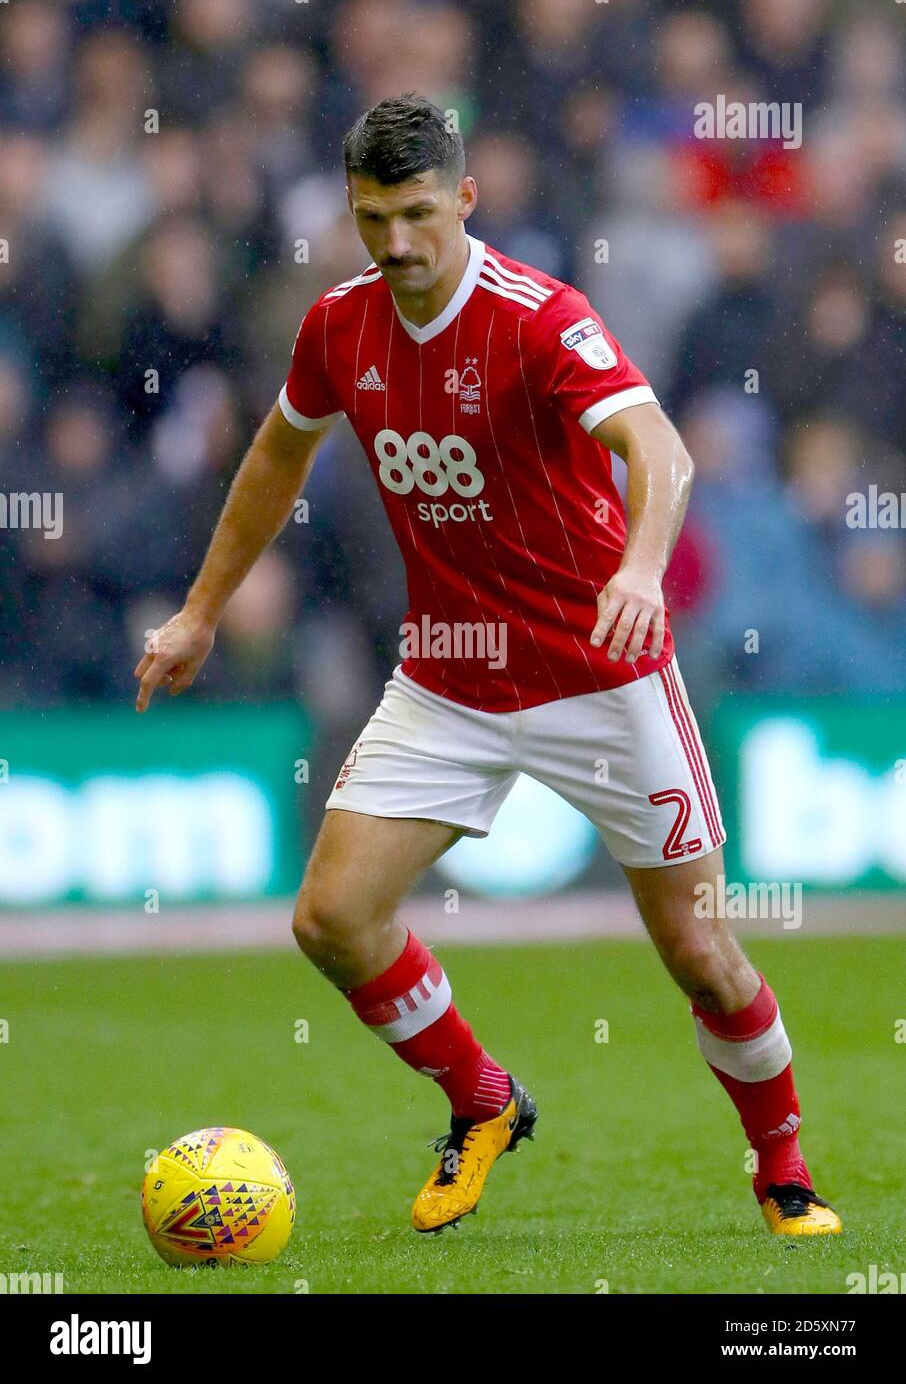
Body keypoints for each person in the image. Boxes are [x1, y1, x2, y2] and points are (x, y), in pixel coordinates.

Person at [134, 94, 840, 1238]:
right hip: (450, 678)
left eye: (418, 213)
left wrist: (644, 567)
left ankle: (783, 1166)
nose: (398, 242)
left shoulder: (541, 318)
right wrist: (203, 611)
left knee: (704, 955)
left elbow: (655, 445)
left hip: (604, 670)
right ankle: (483, 1100)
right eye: (374, 218)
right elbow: (275, 455)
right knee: (331, 918)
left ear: (464, 199)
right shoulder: (337, 327)